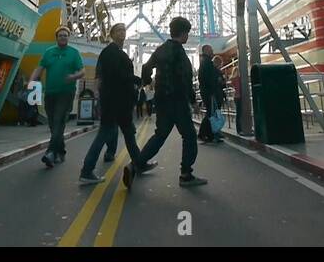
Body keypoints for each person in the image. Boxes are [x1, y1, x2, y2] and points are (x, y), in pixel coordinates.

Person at [123, 17, 205, 190]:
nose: (188, 36)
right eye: (188, 33)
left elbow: (146, 67)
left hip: (162, 100)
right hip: (178, 101)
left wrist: (146, 81)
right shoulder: (180, 53)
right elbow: (185, 80)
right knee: (189, 137)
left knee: (160, 135)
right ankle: (186, 174)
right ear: (183, 33)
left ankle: (135, 164)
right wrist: (193, 101)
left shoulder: (161, 49)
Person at [79, 24, 157, 184]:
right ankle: (87, 170)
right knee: (105, 133)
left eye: (123, 30)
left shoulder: (116, 53)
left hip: (120, 102)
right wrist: (138, 80)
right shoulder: (110, 52)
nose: (122, 32)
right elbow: (117, 76)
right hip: (114, 101)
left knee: (129, 134)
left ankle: (139, 163)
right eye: (118, 30)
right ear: (112, 34)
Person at [30, 26, 85, 168]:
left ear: (68, 37)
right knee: (53, 123)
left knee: (58, 119)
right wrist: (31, 81)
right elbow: (40, 68)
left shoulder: (74, 53)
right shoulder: (49, 52)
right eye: (60, 35)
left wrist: (74, 76)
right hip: (50, 92)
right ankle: (61, 150)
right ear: (56, 38)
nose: (63, 37)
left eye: (65, 35)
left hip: (66, 92)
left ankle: (51, 152)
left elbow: (82, 70)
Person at [197, 44, 222, 144]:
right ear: (206, 50)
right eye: (211, 49)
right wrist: (212, 88)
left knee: (211, 113)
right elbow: (207, 78)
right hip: (210, 92)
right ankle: (203, 134)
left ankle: (210, 134)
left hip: (208, 91)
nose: (212, 51)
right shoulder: (206, 63)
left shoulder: (205, 62)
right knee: (210, 113)